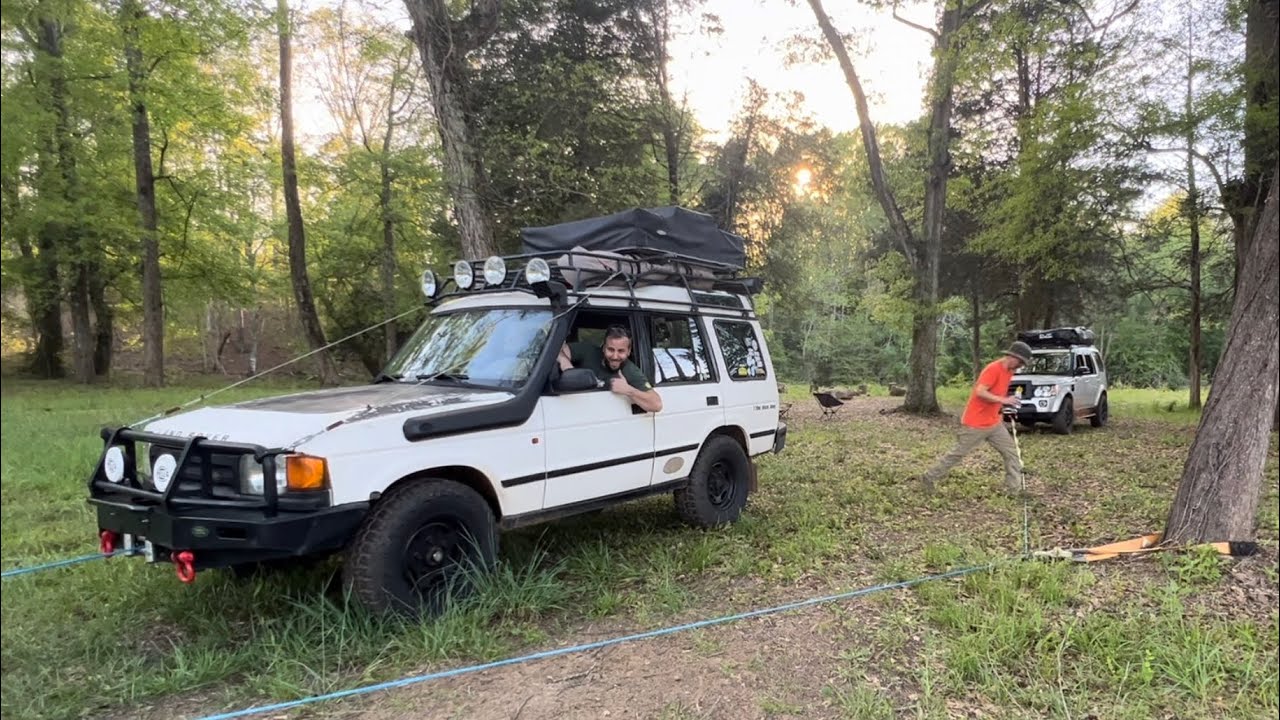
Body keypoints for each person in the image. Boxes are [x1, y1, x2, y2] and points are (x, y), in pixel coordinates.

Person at [921, 341, 1033, 495]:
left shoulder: (1009, 371)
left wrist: (1005, 404)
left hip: (994, 423)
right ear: (1013, 357)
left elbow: (996, 393)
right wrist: (1004, 400)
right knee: (958, 454)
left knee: (1011, 453)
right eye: (1020, 362)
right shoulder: (993, 369)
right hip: (975, 423)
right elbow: (980, 392)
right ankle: (929, 477)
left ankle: (1014, 490)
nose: (1021, 366)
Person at [558, 325, 663, 413]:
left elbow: (657, 404)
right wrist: (569, 370)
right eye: (611, 350)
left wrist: (628, 390)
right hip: (574, 409)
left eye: (621, 351)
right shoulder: (588, 351)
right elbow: (557, 351)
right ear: (604, 347)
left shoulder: (630, 370)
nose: (615, 356)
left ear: (628, 351)